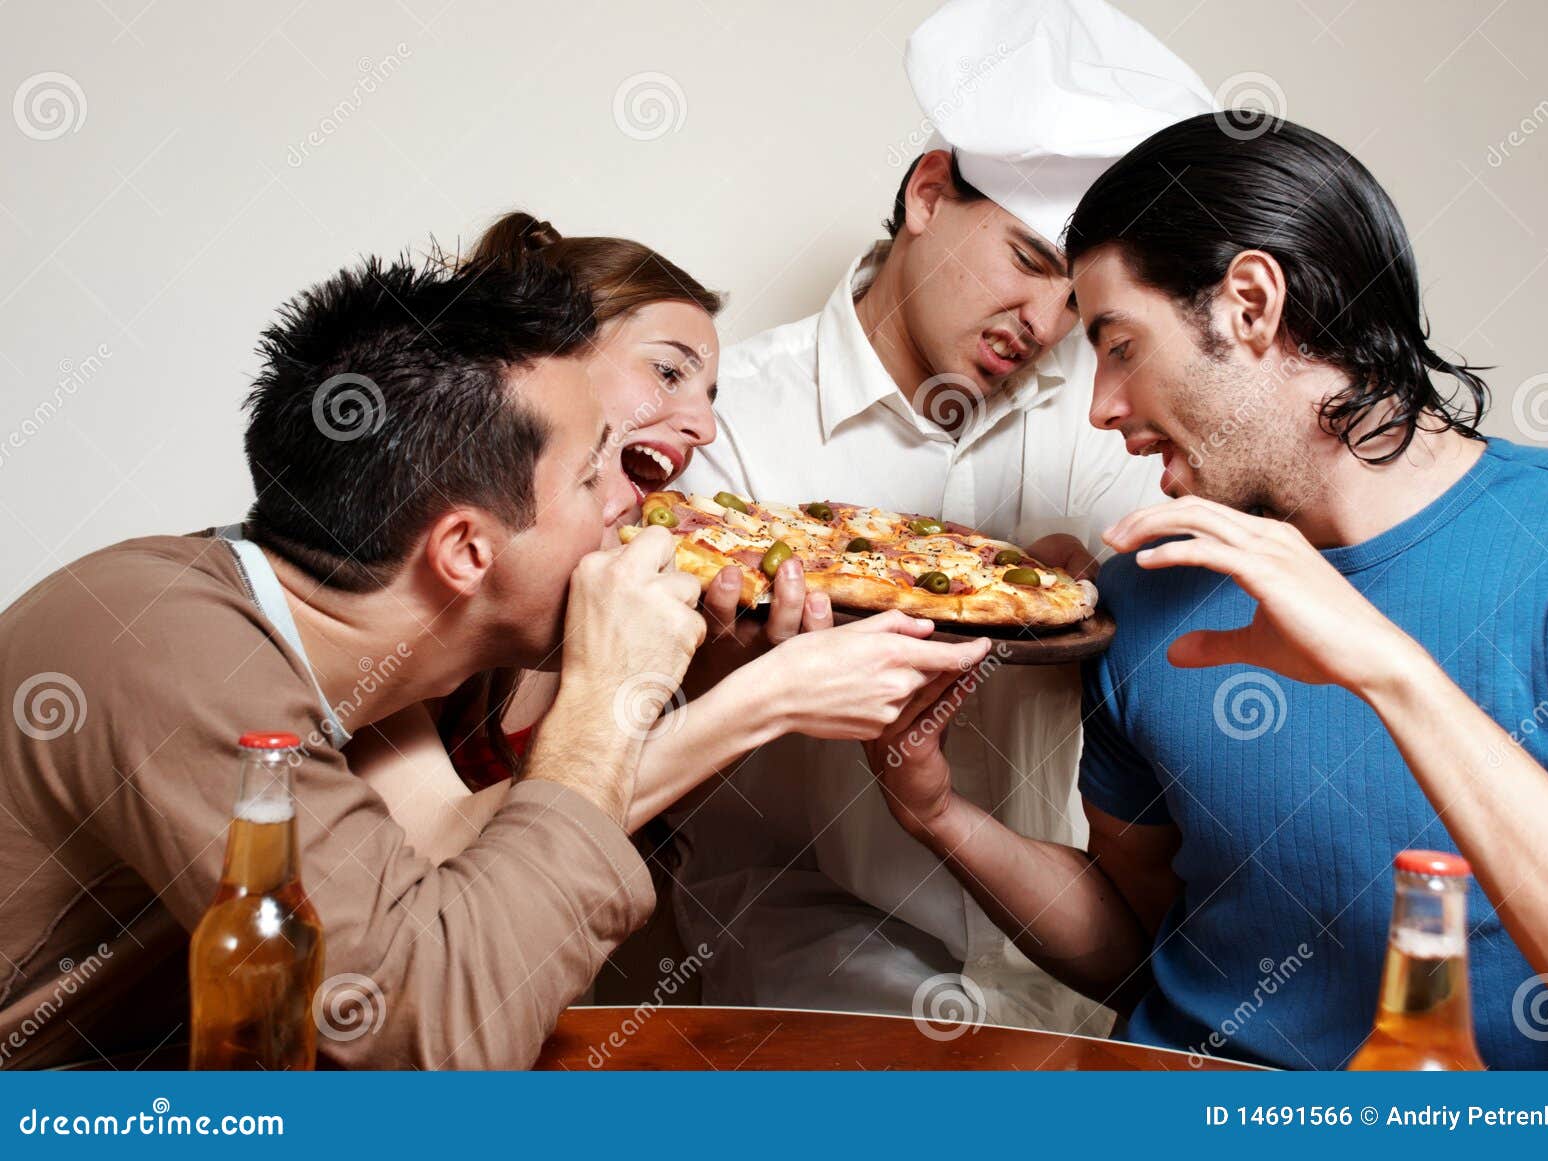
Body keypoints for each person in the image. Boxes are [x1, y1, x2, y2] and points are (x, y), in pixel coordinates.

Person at [0, 249, 978, 1070]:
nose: (631, 510)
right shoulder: (163, 645)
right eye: (591, 477)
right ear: (466, 550)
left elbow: (423, 913)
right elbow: (433, 1037)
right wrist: (618, 691)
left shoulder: (342, 656)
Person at [868, 110, 1548, 1069]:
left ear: (1251, 304)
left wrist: (1390, 672)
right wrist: (937, 814)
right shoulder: (1147, 594)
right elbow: (1142, 950)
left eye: (1120, 345)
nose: (1101, 409)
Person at [666, 0, 1212, 1032]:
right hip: (813, 970)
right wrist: (729, 670)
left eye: (1077, 301)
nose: (1043, 326)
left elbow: (1187, 661)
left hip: (1070, 971)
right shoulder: (729, 420)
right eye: (1028, 262)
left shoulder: (1112, 415)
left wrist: (1099, 592)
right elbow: (643, 749)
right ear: (927, 193)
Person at [348, 214, 989, 866]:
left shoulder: (615, 587)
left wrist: (727, 669)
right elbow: (450, 853)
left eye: (710, 395)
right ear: (546, 366)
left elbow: (638, 825)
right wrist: (770, 698)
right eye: (667, 371)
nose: (706, 428)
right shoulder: (395, 568)